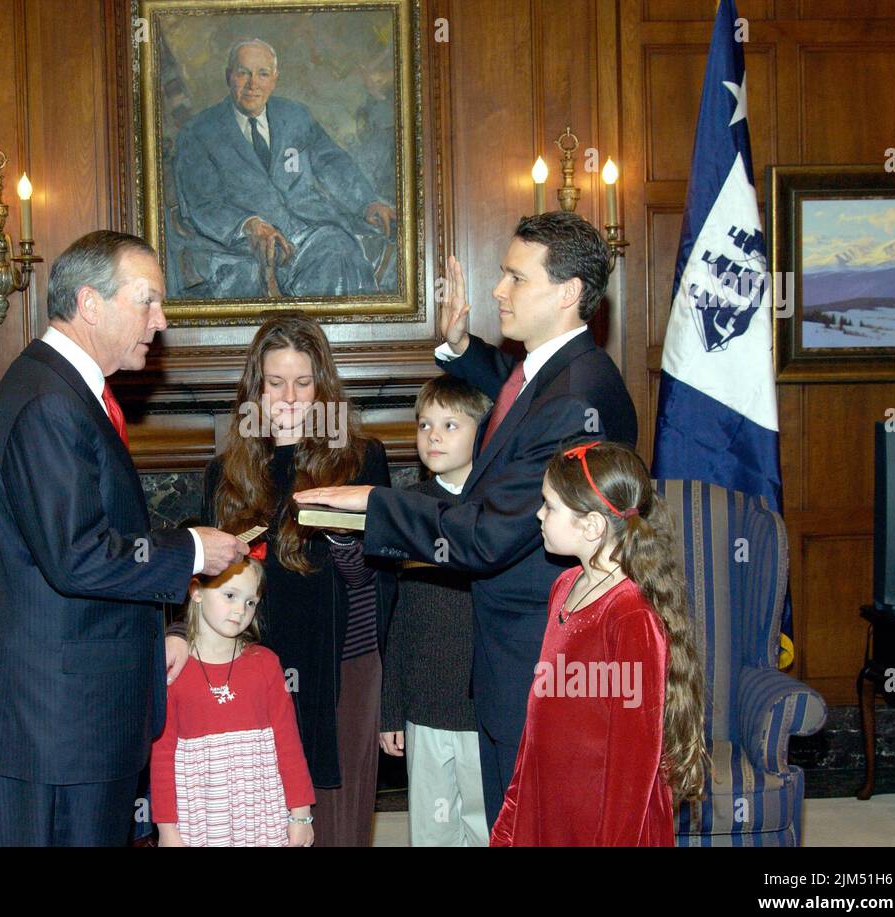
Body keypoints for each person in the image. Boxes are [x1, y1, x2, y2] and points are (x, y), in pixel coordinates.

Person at [294, 212, 638, 831]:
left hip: (535, 656)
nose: (498, 291)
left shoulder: (574, 400)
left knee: (529, 820)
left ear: (567, 294)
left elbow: (484, 537)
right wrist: (459, 350)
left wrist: (374, 503)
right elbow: (518, 393)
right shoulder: (562, 372)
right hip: (524, 647)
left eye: (514, 278)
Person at [0, 230, 247, 846]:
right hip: (60, 728)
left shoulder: (67, 391)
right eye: (147, 301)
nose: (161, 319)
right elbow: (76, 557)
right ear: (90, 304)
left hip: (77, 718)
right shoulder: (49, 402)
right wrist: (193, 550)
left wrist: (162, 634)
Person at [169, 311, 394, 847]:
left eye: (302, 382)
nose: (289, 397)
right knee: (256, 821)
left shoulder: (363, 459)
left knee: (337, 829)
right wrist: (179, 634)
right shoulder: (224, 473)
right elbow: (203, 584)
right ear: (256, 389)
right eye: (275, 383)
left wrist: (346, 542)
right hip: (250, 671)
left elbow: (379, 582)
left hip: (344, 668)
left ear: (322, 388)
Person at [489, 441, 707, 846]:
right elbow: (539, 721)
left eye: (550, 506)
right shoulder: (564, 586)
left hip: (606, 818)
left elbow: (633, 766)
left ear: (591, 526)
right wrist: (512, 818)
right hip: (553, 798)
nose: (538, 514)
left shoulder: (630, 616)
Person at [169, 38, 396, 298]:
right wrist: (249, 225)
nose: (253, 84)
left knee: (342, 251)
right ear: (229, 76)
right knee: (336, 260)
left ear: (275, 79)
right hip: (245, 249)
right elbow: (202, 205)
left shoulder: (295, 116)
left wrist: (367, 203)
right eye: (243, 73)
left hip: (315, 230)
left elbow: (332, 163)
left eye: (263, 74)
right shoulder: (198, 132)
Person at [380, 375, 492, 847]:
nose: (434, 436)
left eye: (450, 424)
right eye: (425, 425)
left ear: (483, 433)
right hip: (423, 707)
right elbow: (400, 616)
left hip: (481, 710)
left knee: (487, 825)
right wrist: (391, 710)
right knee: (432, 830)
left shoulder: (497, 508)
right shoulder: (409, 507)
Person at [152, 549, 315, 847]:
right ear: (196, 591)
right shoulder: (173, 668)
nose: (241, 609)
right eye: (230, 595)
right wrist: (167, 829)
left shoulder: (265, 663)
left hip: (262, 818)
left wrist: (300, 815)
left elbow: (289, 744)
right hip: (198, 821)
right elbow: (162, 757)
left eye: (250, 601)